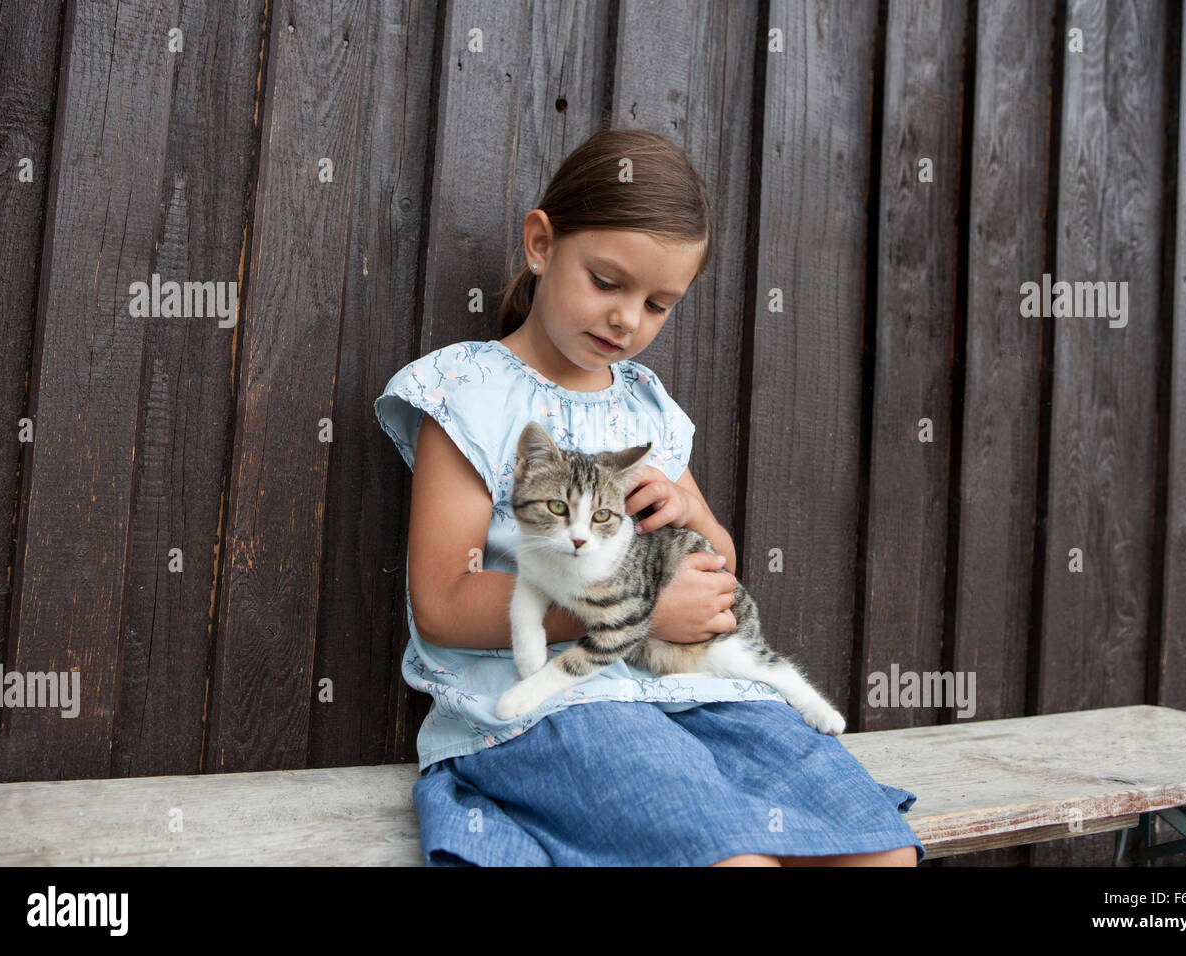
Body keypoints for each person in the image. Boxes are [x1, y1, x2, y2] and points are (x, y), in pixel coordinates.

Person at [373, 127, 924, 867]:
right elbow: (441, 602)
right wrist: (631, 616)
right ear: (541, 244)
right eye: (608, 282)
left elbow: (718, 561)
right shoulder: (471, 394)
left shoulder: (645, 411)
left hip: (685, 695)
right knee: (734, 862)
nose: (629, 319)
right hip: (554, 706)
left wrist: (691, 515)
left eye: (659, 304)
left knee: (877, 853)